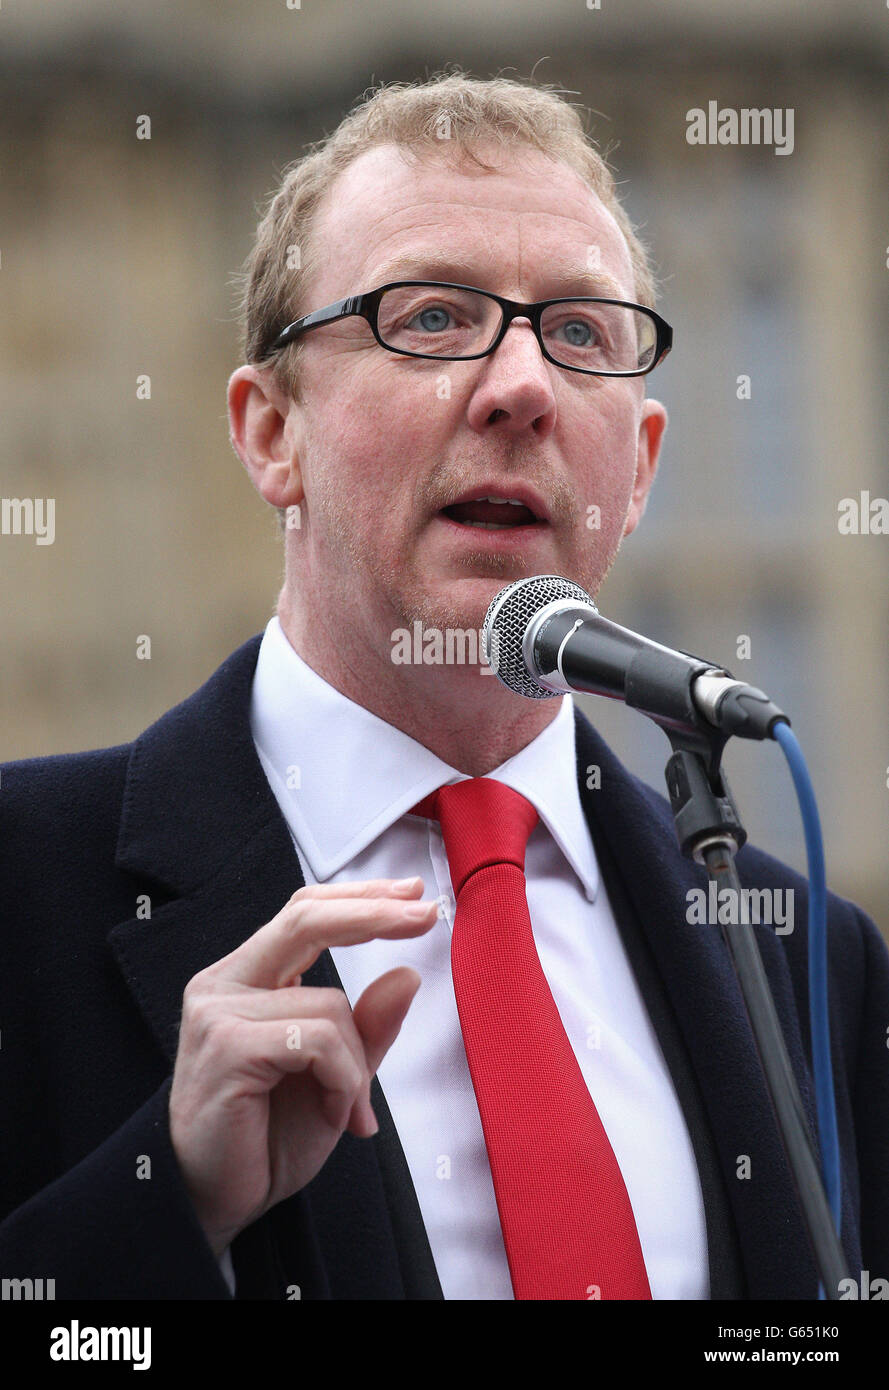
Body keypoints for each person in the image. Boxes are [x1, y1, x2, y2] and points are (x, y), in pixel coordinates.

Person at [1, 72, 887, 1302]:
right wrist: (169, 1198)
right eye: (430, 318)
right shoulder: (23, 882)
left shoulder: (806, 959)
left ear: (635, 471)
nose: (521, 385)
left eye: (580, 334)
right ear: (272, 433)